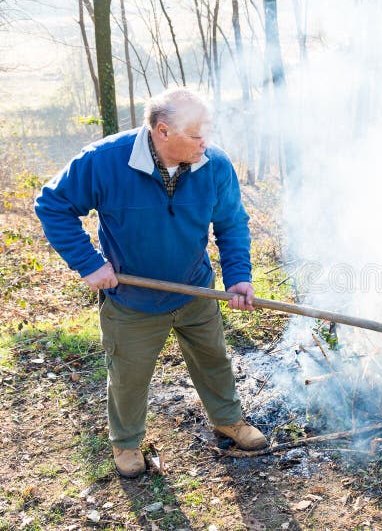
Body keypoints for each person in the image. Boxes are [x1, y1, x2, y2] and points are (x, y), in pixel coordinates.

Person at [34, 87, 267, 479]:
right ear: (162, 130)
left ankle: (228, 420)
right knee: (128, 375)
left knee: (214, 360)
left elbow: (231, 223)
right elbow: (52, 205)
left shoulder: (215, 165)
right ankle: (126, 443)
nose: (204, 141)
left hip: (195, 288)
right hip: (132, 298)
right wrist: (89, 263)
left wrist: (239, 277)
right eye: (195, 135)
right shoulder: (104, 161)